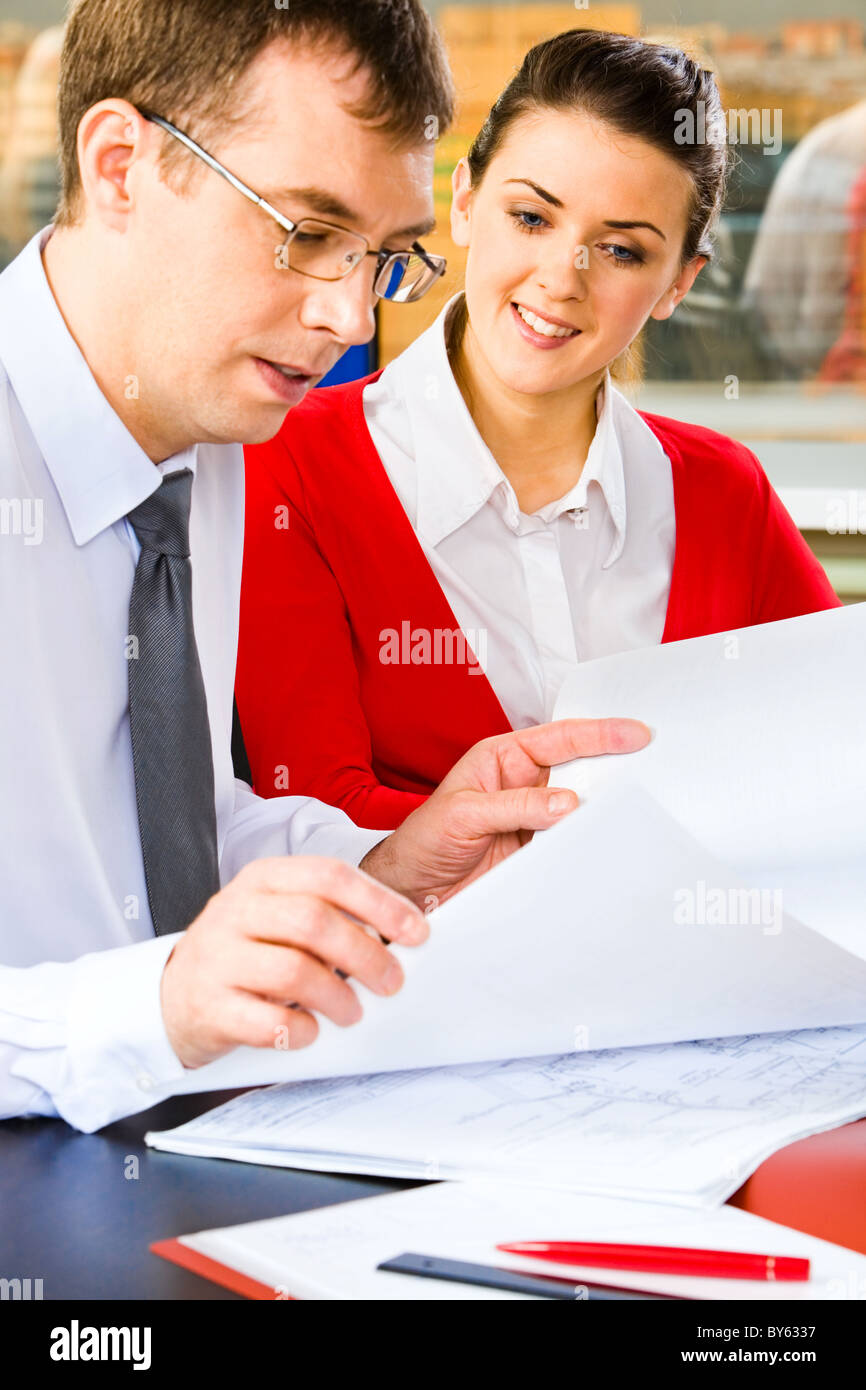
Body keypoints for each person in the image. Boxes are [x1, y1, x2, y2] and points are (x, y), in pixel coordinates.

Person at [0, 0, 650, 1135]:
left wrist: (387, 868)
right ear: (119, 166)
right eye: (305, 232)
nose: (344, 314)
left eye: (381, 258)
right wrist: (151, 1005)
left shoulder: (208, 437)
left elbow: (159, 828)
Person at [236, 29, 840, 831]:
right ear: (464, 203)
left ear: (679, 284)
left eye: (621, 251)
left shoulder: (725, 493)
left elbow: (833, 764)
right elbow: (310, 818)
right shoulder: (290, 467)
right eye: (531, 217)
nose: (562, 278)